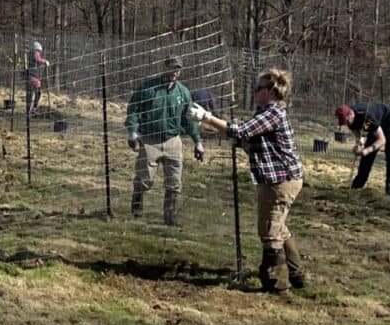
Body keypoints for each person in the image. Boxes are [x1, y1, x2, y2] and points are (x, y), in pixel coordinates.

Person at [189, 67, 306, 294]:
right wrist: (237, 140)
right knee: (278, 227)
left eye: (258, 87)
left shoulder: (272, 113)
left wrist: (207, 117)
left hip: (280, 180)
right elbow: (254, 141)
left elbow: (241, 131)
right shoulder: (264, 112)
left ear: (272, 91)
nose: (254, 91)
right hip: (278, 178)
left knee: (270, 231)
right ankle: (297, 274)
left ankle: (277, 285)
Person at [125, 56, 206, 224]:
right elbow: (133, 109)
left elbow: (189, 119)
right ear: (165, 67)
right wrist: (132, 131)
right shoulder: (148, 88)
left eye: (177, 69)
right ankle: (137, 205)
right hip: (150, 140)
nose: (174, 72)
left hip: (173, 141)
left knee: (174, 183)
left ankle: (169, 218)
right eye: (172, 68)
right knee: (144, 180)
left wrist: (198, 142)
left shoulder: (183, 92)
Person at [336, 99, 390, 197]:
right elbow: (359, 136)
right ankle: (356, 187)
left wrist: (366, 150)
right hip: (375, 125)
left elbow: (382, 140)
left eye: (347, 121)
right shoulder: (350, 120)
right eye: (345, 123)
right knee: (366, 158)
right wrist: (359, 146)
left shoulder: (367, 117)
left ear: (351, 114)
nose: (347, 124)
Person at [25, 40, 51, 114]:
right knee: (37, 93)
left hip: (32, 76)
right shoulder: (35, 53)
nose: (39, 53)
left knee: (31, 94)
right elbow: (38, 59)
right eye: (39, 51)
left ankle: (30, 109)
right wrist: (45, 61)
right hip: (33, 76)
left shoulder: (30, 54)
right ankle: (33, 109)